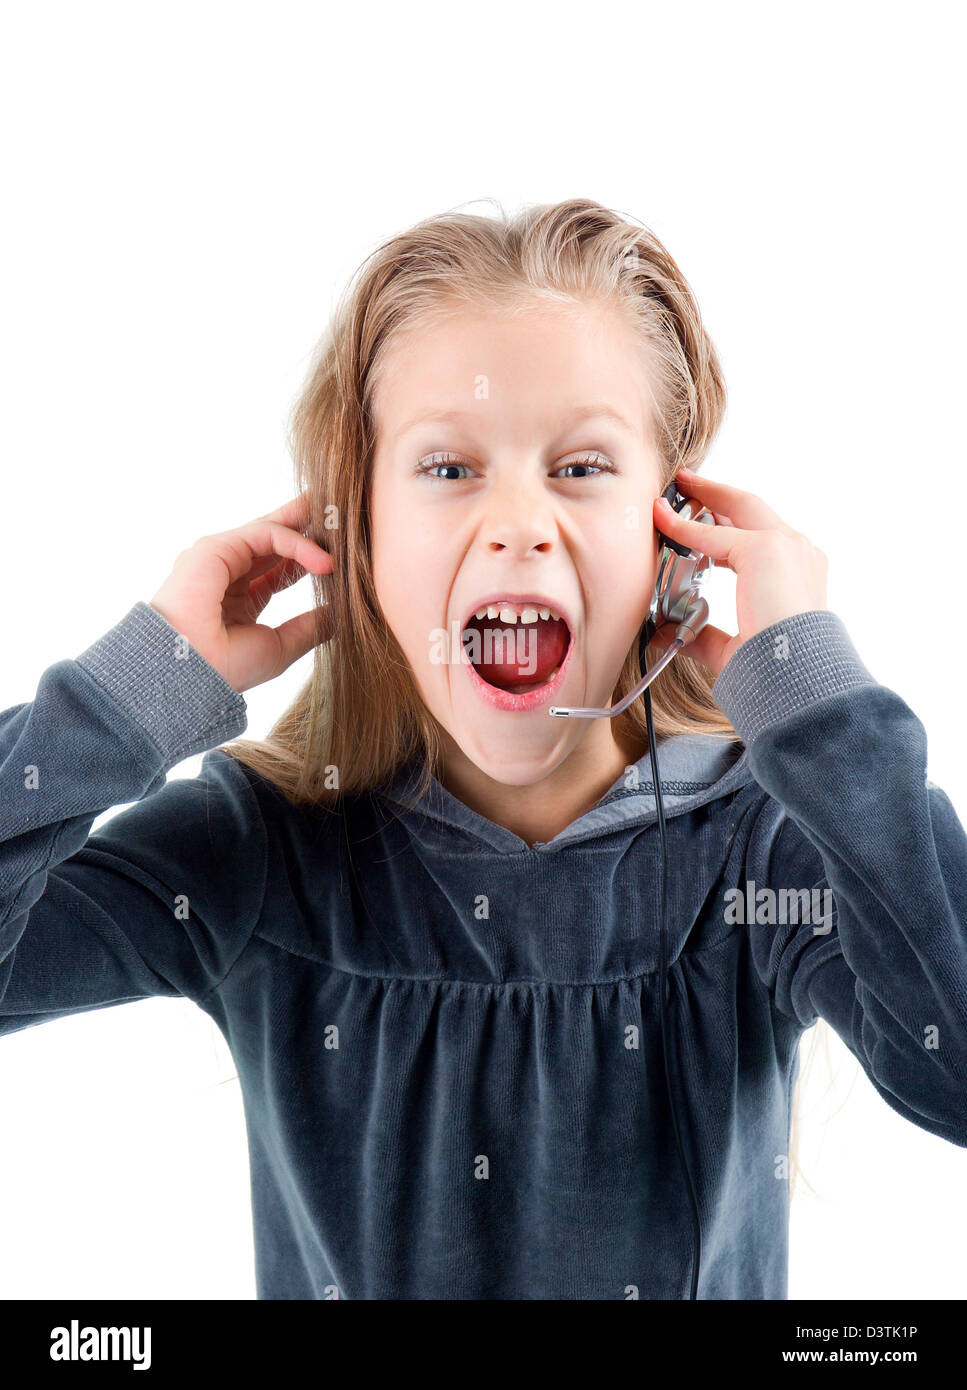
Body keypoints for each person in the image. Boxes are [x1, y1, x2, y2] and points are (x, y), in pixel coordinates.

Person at [3, 198, 966, 1300]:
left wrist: (816, 703)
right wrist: (137, 689)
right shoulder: (258, 853)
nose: (518, 520)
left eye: (583, 466)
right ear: (355, 540)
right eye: (449, 469)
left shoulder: (762, 860)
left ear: (676, 539)